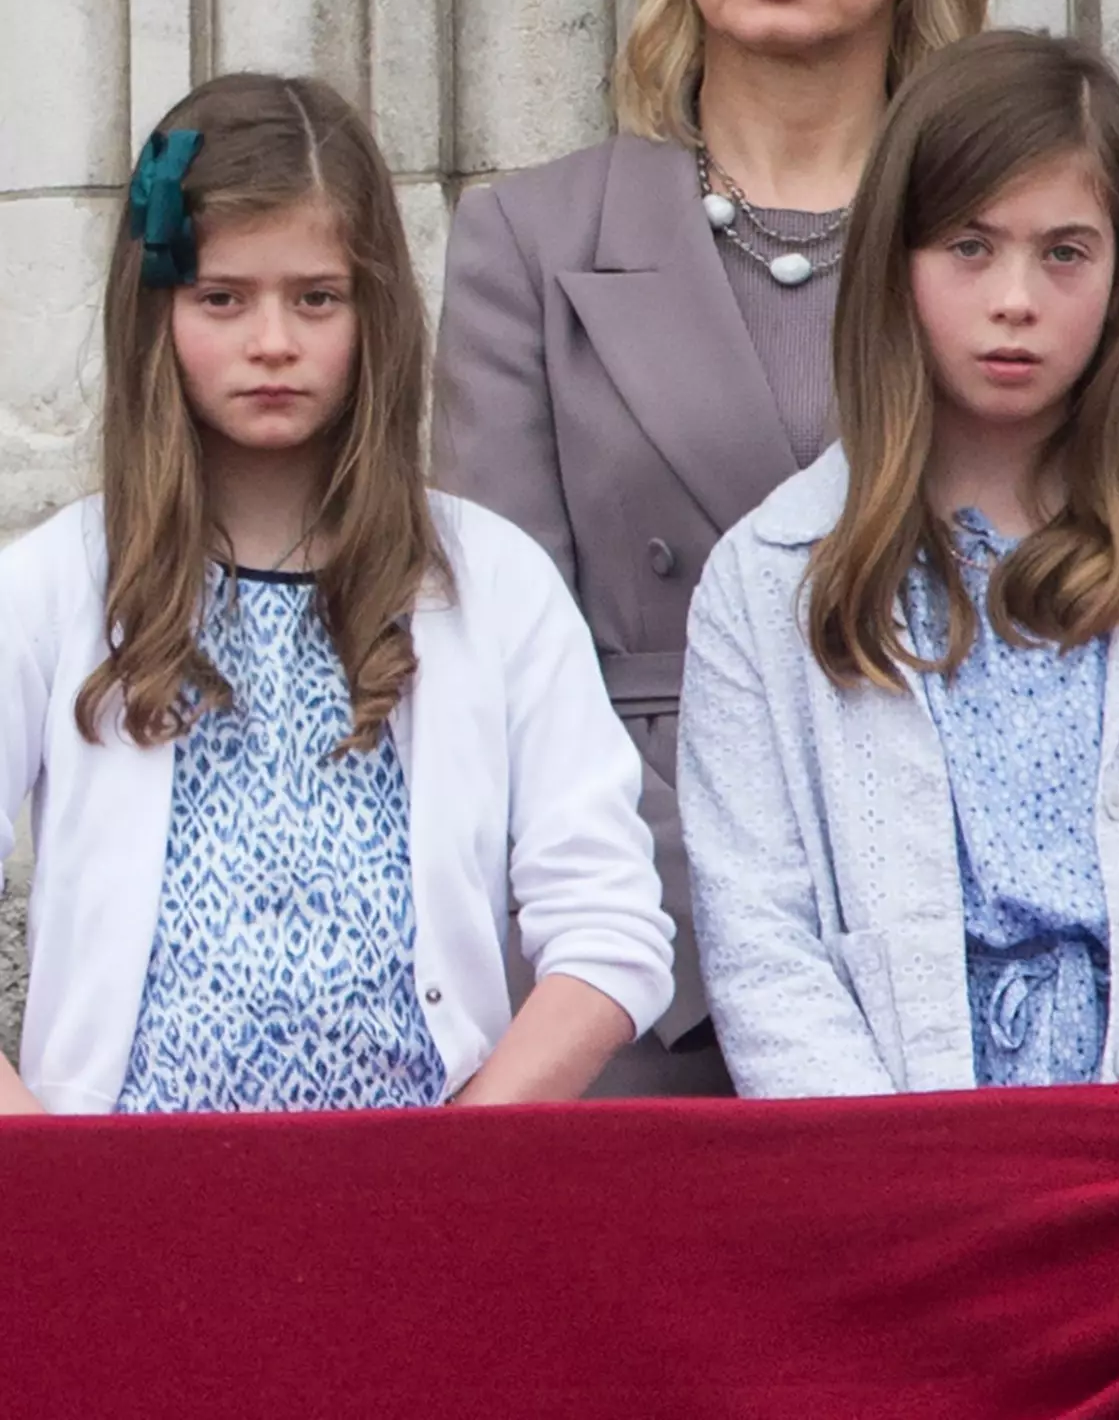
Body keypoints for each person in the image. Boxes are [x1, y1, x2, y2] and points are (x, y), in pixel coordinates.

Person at [431, 0, 997, 1094]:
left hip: (967, 945)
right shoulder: (528, 244)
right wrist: (691, 940)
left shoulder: (1017, 240)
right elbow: (496, 657)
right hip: (637, 965)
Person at [0, 74, 673, 1116]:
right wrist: (42, 1164)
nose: (273, 341)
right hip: (121, 1212)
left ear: (376, 310)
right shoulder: (52, 586)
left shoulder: (489, 583)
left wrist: (464, 1157)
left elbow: (610, 923)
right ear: (155, 311)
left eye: (316, 297)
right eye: (222, 298)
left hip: (422, 1211)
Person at [677, 27, 1119, 1098]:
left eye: (1062, 253)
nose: (1014, 298)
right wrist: (904, 1180)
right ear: (894, 266)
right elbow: (762, 945)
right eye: (967, 247)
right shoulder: (768, 577)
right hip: (886, 1176)